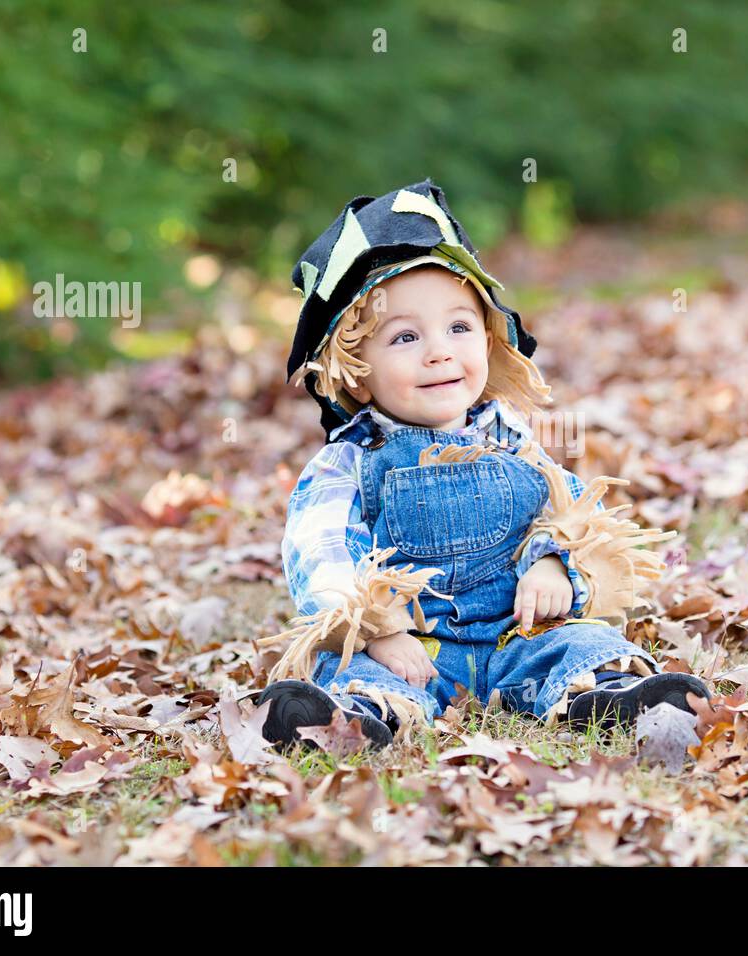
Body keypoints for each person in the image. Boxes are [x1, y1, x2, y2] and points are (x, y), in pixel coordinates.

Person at [257, 179, 709, 751]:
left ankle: (603, 697)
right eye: (404, 338)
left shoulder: (512, 441)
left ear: (489, 338)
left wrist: (552, 566)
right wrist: (373, 633)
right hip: (411, 647)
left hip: (514, 636)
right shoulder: (347, 464)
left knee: (578, 642)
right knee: (353, 673)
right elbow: (320, 554)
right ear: (355, 367)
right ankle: (355, 718)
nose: (439, 350)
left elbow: (566, 513)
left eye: (459, 327)